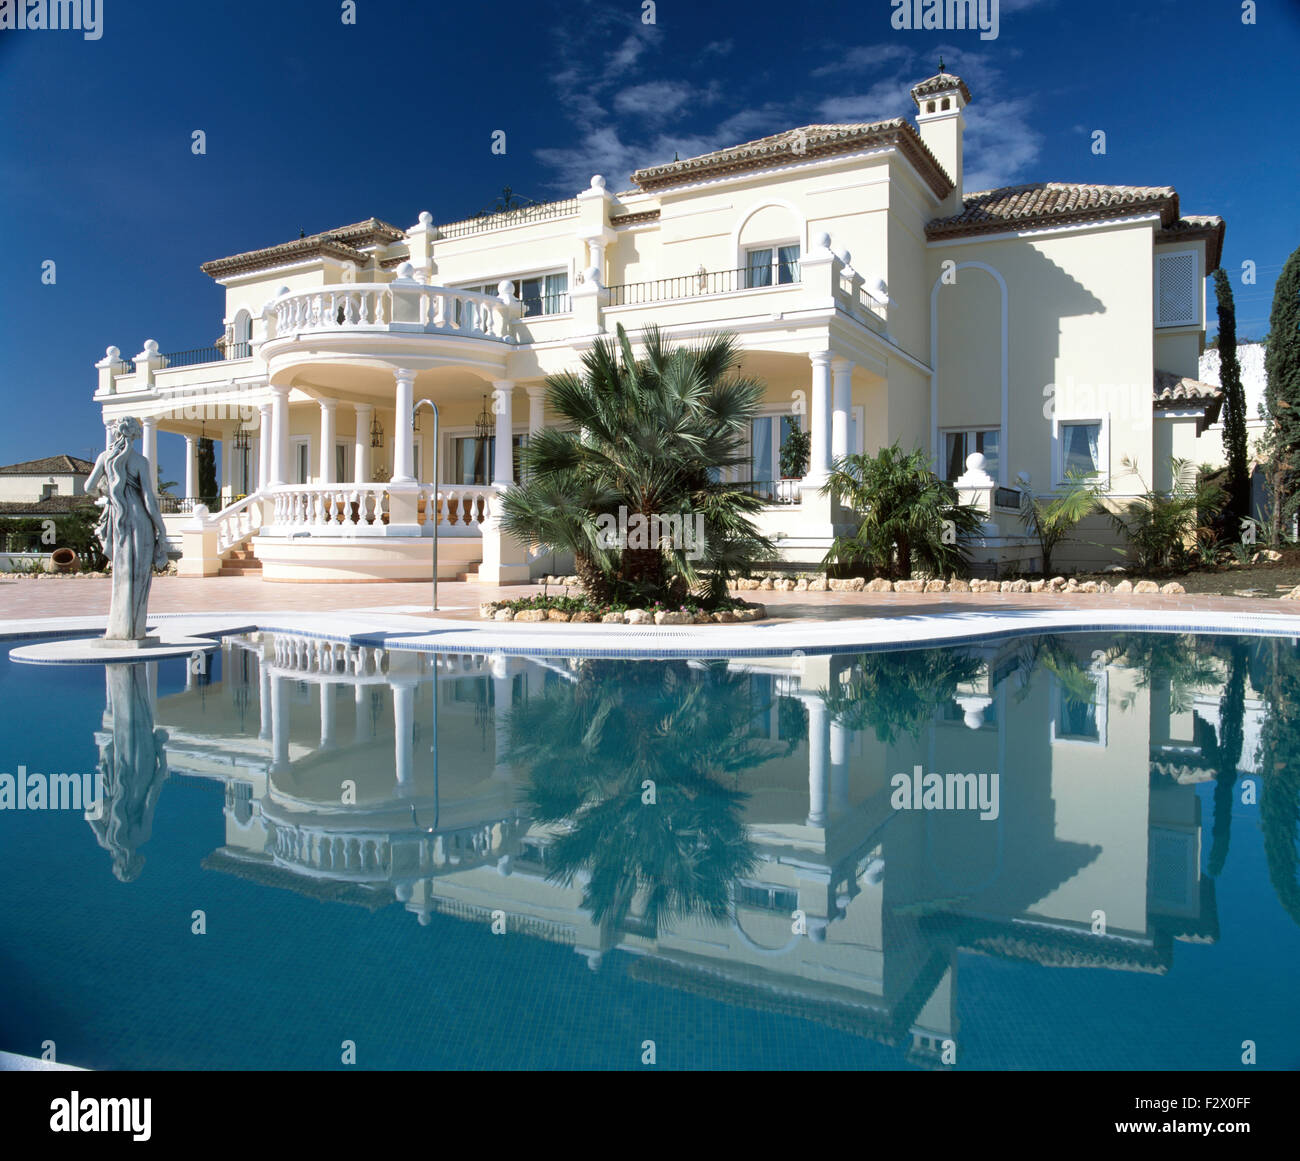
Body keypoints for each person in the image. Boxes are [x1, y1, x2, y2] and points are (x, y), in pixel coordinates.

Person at [84, 417, 169, 640]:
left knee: (121, 575)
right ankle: (135, 629)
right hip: (140, 519)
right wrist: (161, 528)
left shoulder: (104, 458)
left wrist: (109, 494)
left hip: (119, 519)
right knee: (139, 576)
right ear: (134, 434)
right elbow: (149, 499)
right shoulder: (140, 461)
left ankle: (119, 628)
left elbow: (89, 487)